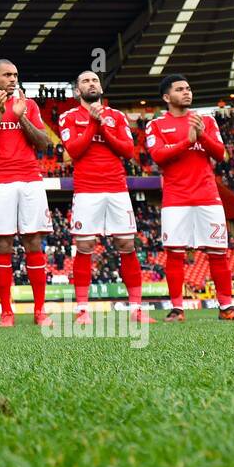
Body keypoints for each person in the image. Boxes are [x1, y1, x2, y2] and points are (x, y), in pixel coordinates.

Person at [146, 74, 234, 321]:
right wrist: (187, 141)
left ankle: (226, 308)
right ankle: (177, 309)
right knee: (175, 253)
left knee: (217, 252)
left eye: (188, 88)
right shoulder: (157, 125)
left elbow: (220, 154)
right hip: (176, 198)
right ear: (166, 97)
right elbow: (158, 156)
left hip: (207, 195)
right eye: (180, 89)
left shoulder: (206, 120)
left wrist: (202, 135)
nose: (186, 92)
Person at [58, 69, 152, 324]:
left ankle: (136, 309)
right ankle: (82, 311)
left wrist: (103, 126)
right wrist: (93, 123)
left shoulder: (117, 116)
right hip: (87, 191)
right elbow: (75, 151)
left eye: (95, 80)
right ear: (77, 91)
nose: (91, 84)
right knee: (85, 247)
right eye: (86, 81)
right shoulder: (69, 117)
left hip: (117, 189)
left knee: (127, 245)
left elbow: (127, 149)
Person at [0, 58, 53, 327]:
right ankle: (6, 311)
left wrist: (22, 117)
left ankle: (40, 311)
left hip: (30, 178)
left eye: (15, 74)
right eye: (7, 75)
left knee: (33, 242)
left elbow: (43, 143)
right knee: (2, 244)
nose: (13, 79)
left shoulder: (29, 105)